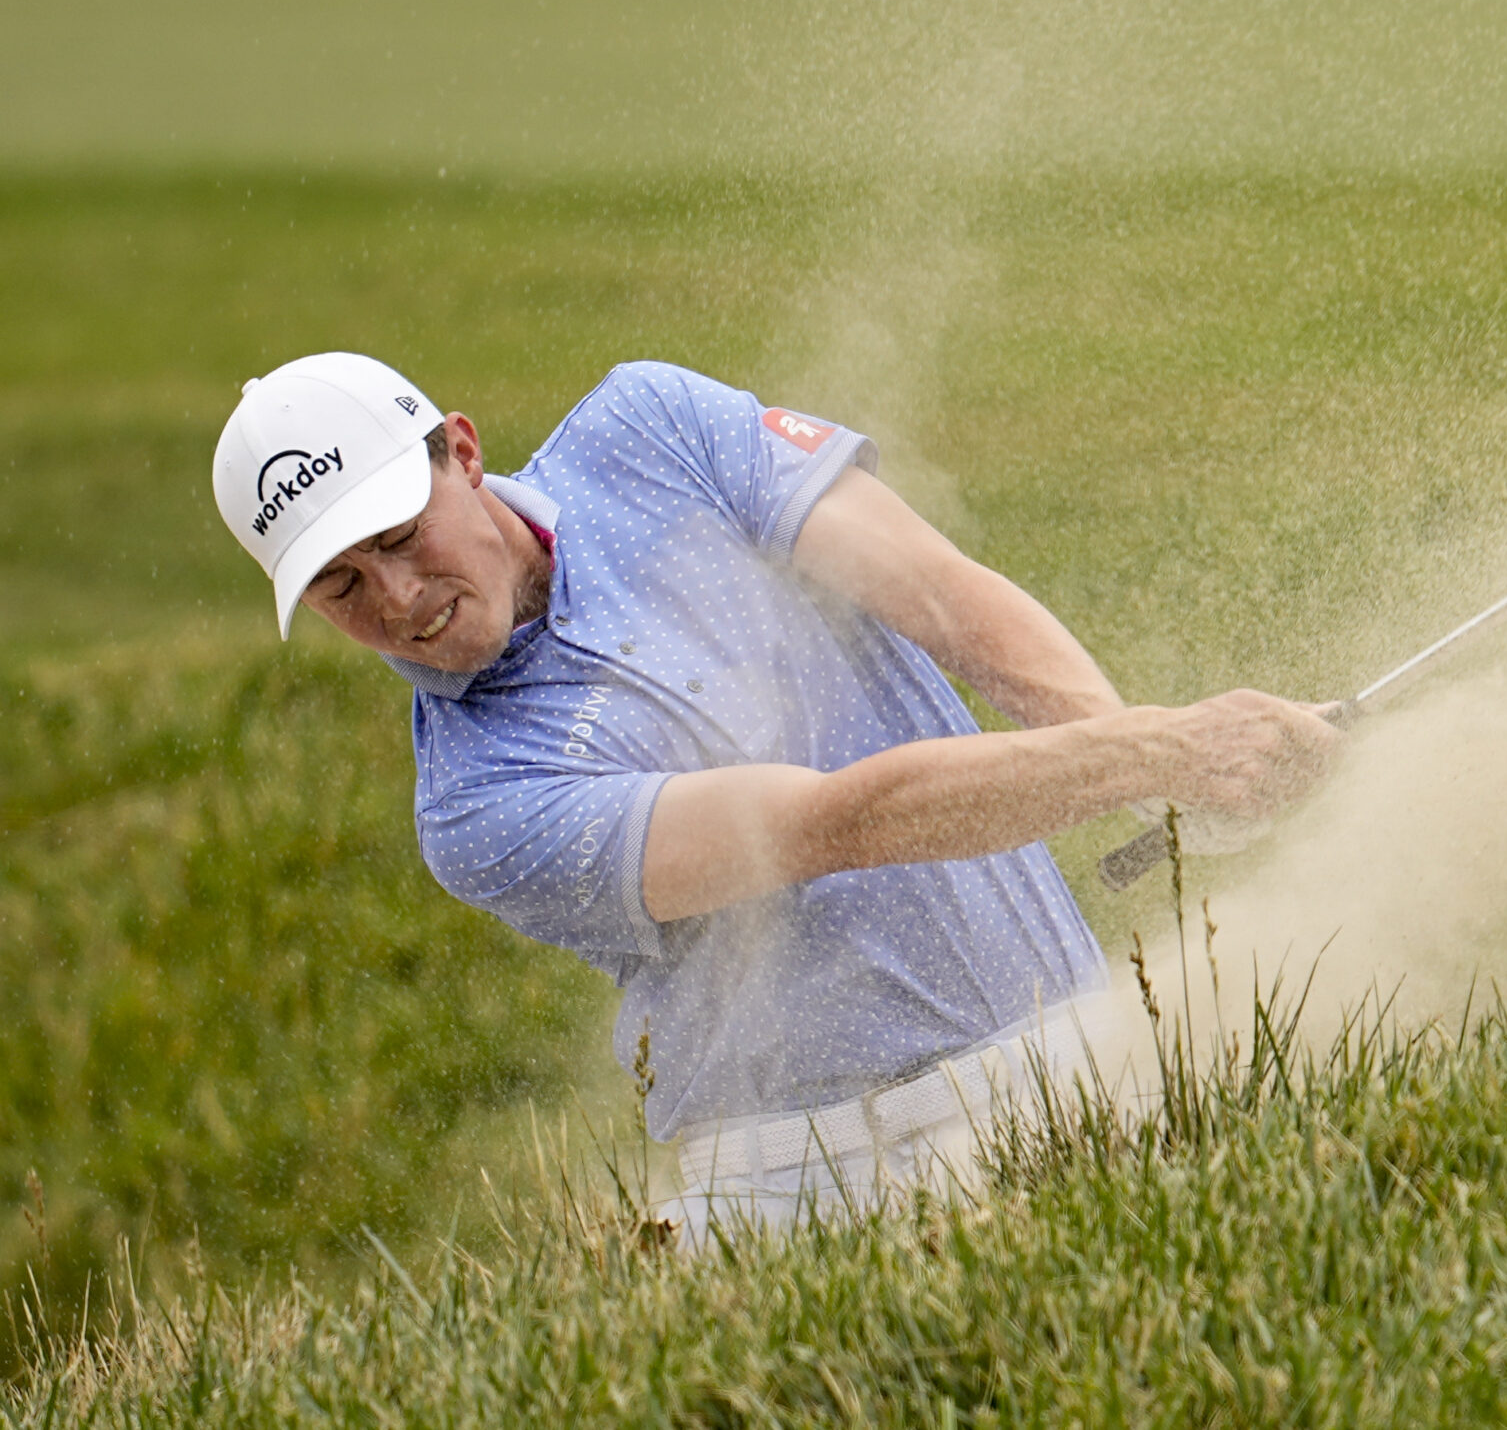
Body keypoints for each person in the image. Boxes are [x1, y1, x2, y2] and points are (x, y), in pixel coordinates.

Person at [210, 352, 1338, 1238]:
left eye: (402, 536)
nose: (400, 599)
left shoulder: (647, 427)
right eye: (338, 583)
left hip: (1075, 1071)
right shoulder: (476, 805)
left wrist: (1158, 770)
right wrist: (1153, 756)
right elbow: (832, 822)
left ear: (461, 449)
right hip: (803, 1189)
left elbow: (942, 597)